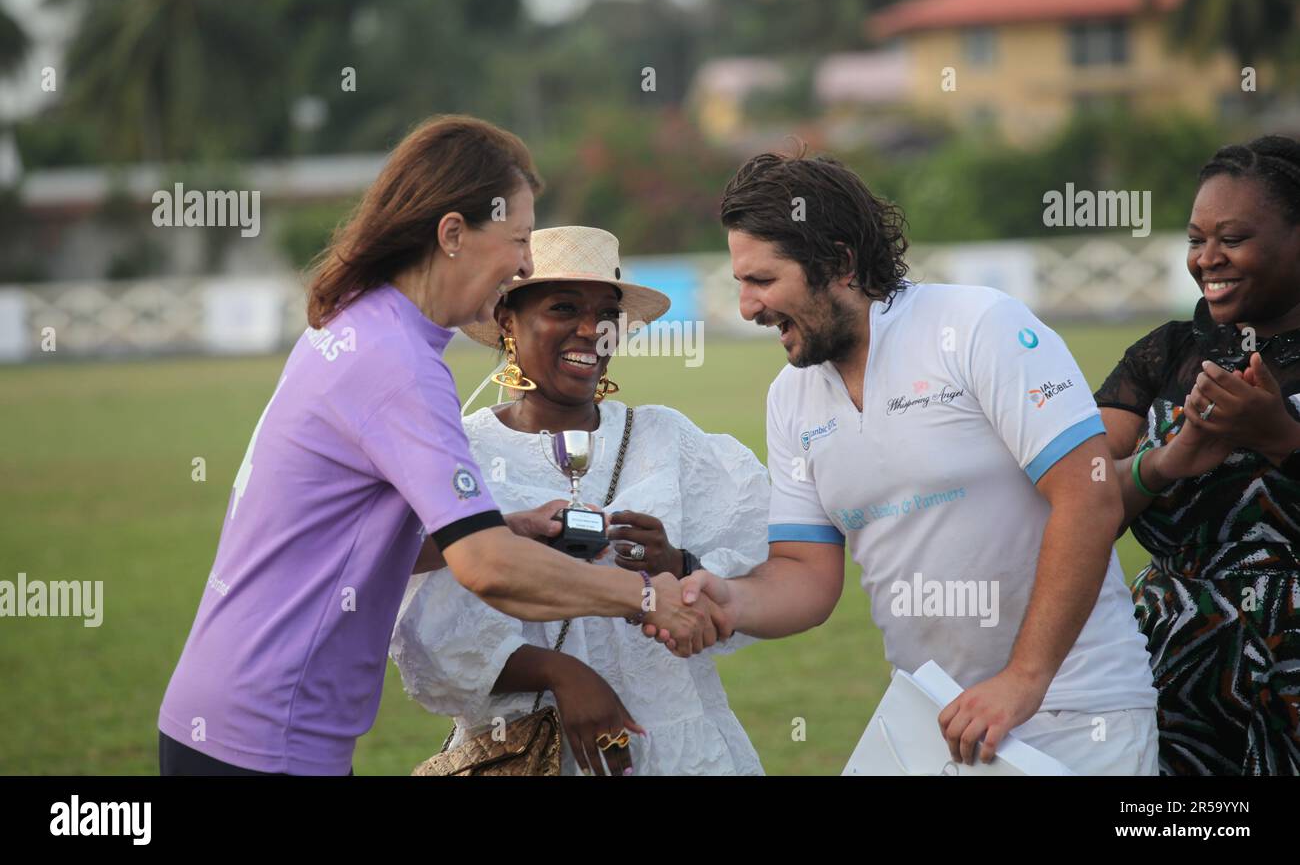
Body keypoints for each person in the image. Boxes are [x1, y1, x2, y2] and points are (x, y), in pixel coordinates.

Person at [158, 117, 721, 776]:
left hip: (233, 717)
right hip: (265, 732)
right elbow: (487, 568)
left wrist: (507, 526)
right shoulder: (398, 363)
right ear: (452, 234)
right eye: (515, 242)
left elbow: (354, 536)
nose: (523, 263)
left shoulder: (360, 325)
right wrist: (646, 598)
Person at [653, 147, 1159, 774]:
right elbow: (804, 573)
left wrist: (1024, 679)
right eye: (741, 284)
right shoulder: (790, 396)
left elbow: (1089, 496)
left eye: (762, 280)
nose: (748, 307)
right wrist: (728, 601)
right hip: (933, 723)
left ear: (839, 262)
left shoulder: (978, 325)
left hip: (1076, 713)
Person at [391, 226, 768, 775]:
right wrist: (562, 673)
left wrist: (678, 564)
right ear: (507, 321)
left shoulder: (667, 439)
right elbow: (431, 639)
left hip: (679, 746)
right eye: (564, 308)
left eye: (606, 314)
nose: (592, 330)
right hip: (533, 749)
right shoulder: (461, 451)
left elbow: (762, 576)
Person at [1094, 135, 1300, 776]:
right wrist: (1170, 459)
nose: (1207, 259)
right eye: (1195, 239)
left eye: (1232, 238)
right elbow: (1084, 497)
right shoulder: (1166, 355)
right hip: (1172, 670)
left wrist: (1281, 438)